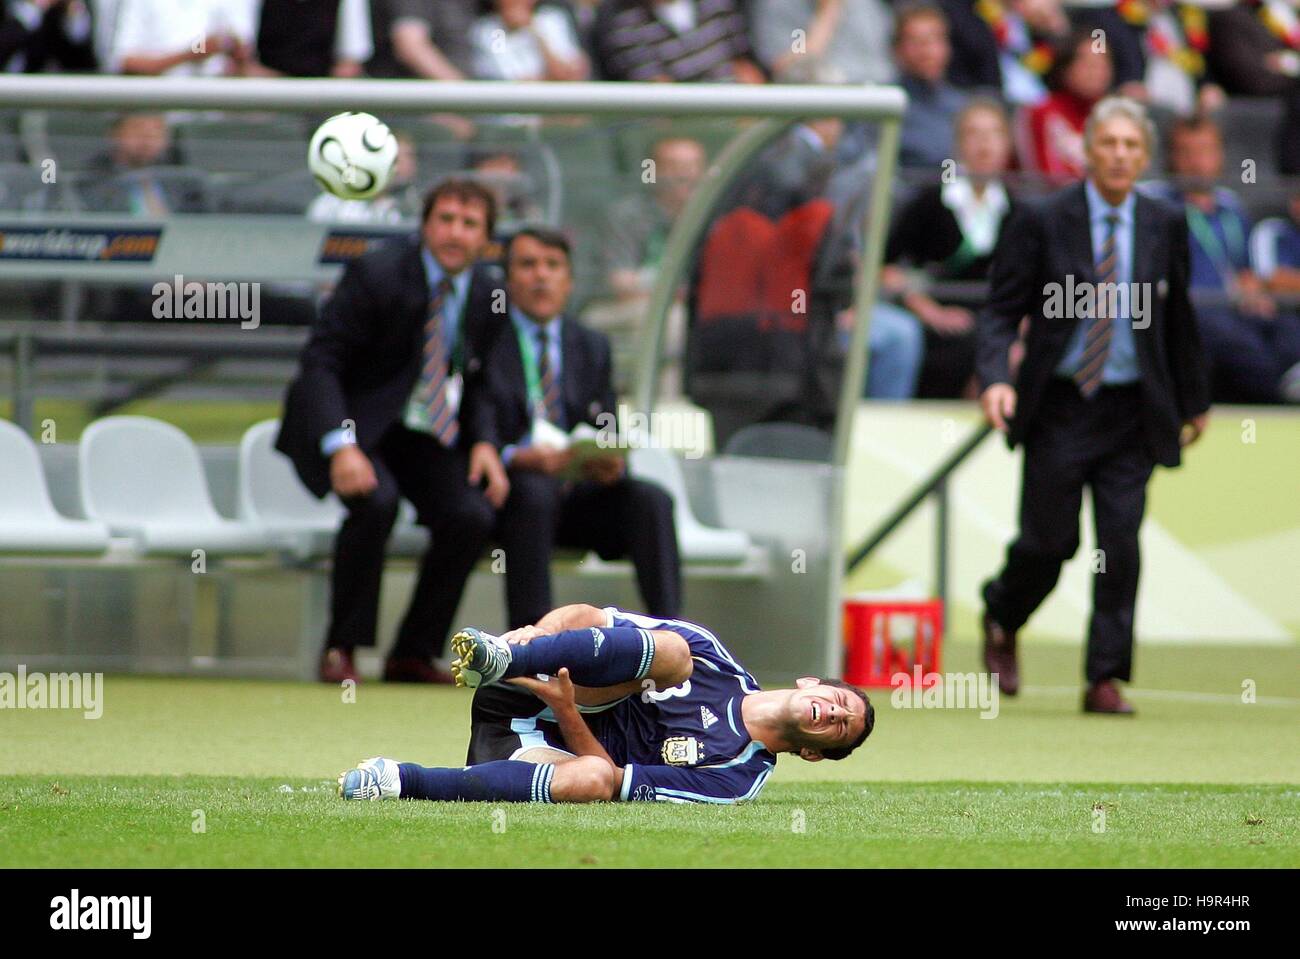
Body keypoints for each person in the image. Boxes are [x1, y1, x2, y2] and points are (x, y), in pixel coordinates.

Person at [976, 96, 1210, 715]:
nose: (1120, 156)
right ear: (1086, 149)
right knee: (1049, 544)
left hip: (1133, 411)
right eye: (1109, 143)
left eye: (1132, 146)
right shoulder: (1041, 217)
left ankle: (1104, 678)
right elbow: (1001, 310)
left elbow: (1178, 315)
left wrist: (1195, 400)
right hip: (1059, 405)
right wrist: (996, 377)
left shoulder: (1165, 221)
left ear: (1146, 156)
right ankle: (1002, 614)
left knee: (1120, 544)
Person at [276, 179, 511, 685]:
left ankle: (411, 654)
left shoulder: (491, 291)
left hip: (417, 427)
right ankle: (341, 648)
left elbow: (485, 379)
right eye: (444, 219)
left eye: (469, 224)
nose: (454, 233)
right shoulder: (377, 271)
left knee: (471, 514)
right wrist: (341, 445)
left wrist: (487, 443)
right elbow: (321, 362)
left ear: (486, 238)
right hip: (349, 419)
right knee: (375, 502)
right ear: (425, 225)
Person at [337, 603, 874, 804]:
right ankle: (501, 656)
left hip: (528, 751)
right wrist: (533, 640)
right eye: (838, 701)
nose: (834, 713)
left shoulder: (737, 777)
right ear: (810, 683)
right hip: (524, 676)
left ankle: (400, 780)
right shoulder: (712, 657)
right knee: (673, 652)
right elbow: (587, 616)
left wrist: (566, 710)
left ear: (813, 754)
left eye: (840, 727)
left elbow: (612, 780)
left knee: (592, 781)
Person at [478, 227, 682, 631]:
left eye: (553, 266)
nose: (541, 276)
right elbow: (476, 422)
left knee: (651, 500)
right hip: (510, 492)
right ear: (508, 278)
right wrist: (516, 456)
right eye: (528, 265)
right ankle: (533, 643)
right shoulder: (484, 340)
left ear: (569, 282)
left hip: (577, 490)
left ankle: (670, 640)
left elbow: (605, 422)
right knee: (534, 495)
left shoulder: (590, 344)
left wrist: (609, 461)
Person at [1147, 115, 1300, 404]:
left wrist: (1253, 285)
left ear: (1220, 156)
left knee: (1284, 322)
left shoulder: (1231, 208)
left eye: (1205, 150)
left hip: (1236, 308)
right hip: (1193, 307)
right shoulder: (1158, 205)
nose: (1196, 161)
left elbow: (1246, 268)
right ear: (1171, 157)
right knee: (1221, 330)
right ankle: (1280, 391)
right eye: (1186, 152)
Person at [883, 97, 1017, 398]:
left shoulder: (1017, 207)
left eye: (994, 133)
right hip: (935, 323)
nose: (984, 144)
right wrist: (931, 312)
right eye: (974, 133)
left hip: (991, 325)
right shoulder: (931, 201)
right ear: (958, 143)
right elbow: (885, 265)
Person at [1015, 27, 1114, 182]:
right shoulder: (1040, 112)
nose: (1096, 71)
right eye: (1088, 64)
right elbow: (1040, 179)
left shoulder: (1114, 117)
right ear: (1065, 67)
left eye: (1103, 63)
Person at [593, 0, 763, 83]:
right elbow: (658, 92)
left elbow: (744, 65)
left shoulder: (716, 3)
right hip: (681, 128)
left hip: (739, 115)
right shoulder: (624, 25)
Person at [893, 1, 969, 168]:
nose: (927, 52)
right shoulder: (886, 105)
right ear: (897, 49)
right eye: (916, 41)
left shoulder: (962, 107)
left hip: (951, 189)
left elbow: (956, 167)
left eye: (935, 40)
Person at [470, 0, 589, 81]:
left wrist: (534, 32)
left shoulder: (551, 20)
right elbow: (511, 83)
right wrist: (557, 81)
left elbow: (573, 73)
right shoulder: (493, 31)